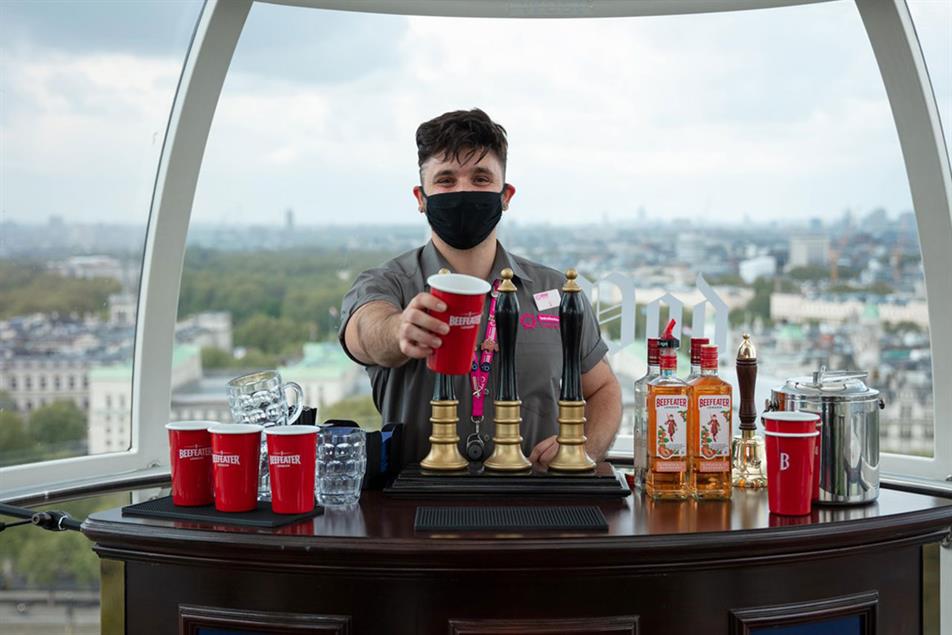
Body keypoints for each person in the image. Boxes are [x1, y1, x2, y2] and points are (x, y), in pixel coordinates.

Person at [339, 108, 621, 467]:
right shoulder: (389, 283)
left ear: (506, 195)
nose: (463, 191)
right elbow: (364, 332)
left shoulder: (557, 291)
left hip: (539, 507)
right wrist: (400, 331)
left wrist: (584, 449)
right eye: (445, 180)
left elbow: (604, 390)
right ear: (420, 198)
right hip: (415, 512)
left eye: (480, 178)